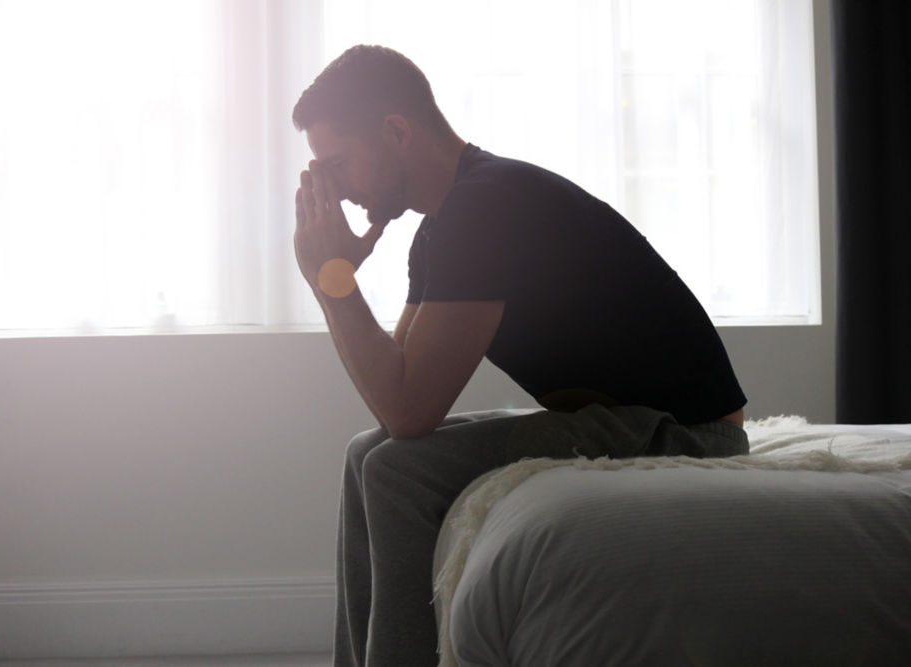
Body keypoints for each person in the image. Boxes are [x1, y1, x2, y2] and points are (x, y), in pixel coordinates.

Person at [291, 45, 748, 666]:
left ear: (396, 131)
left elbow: (407, 411)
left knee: (395, 469)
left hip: (687, 434)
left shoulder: (484, 208)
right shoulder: (444, 225)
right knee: (365, 453)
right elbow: (392, 387)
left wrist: (331, 280)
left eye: (339, 164)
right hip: (625, 415)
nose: (337, 192)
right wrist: (334, 277)